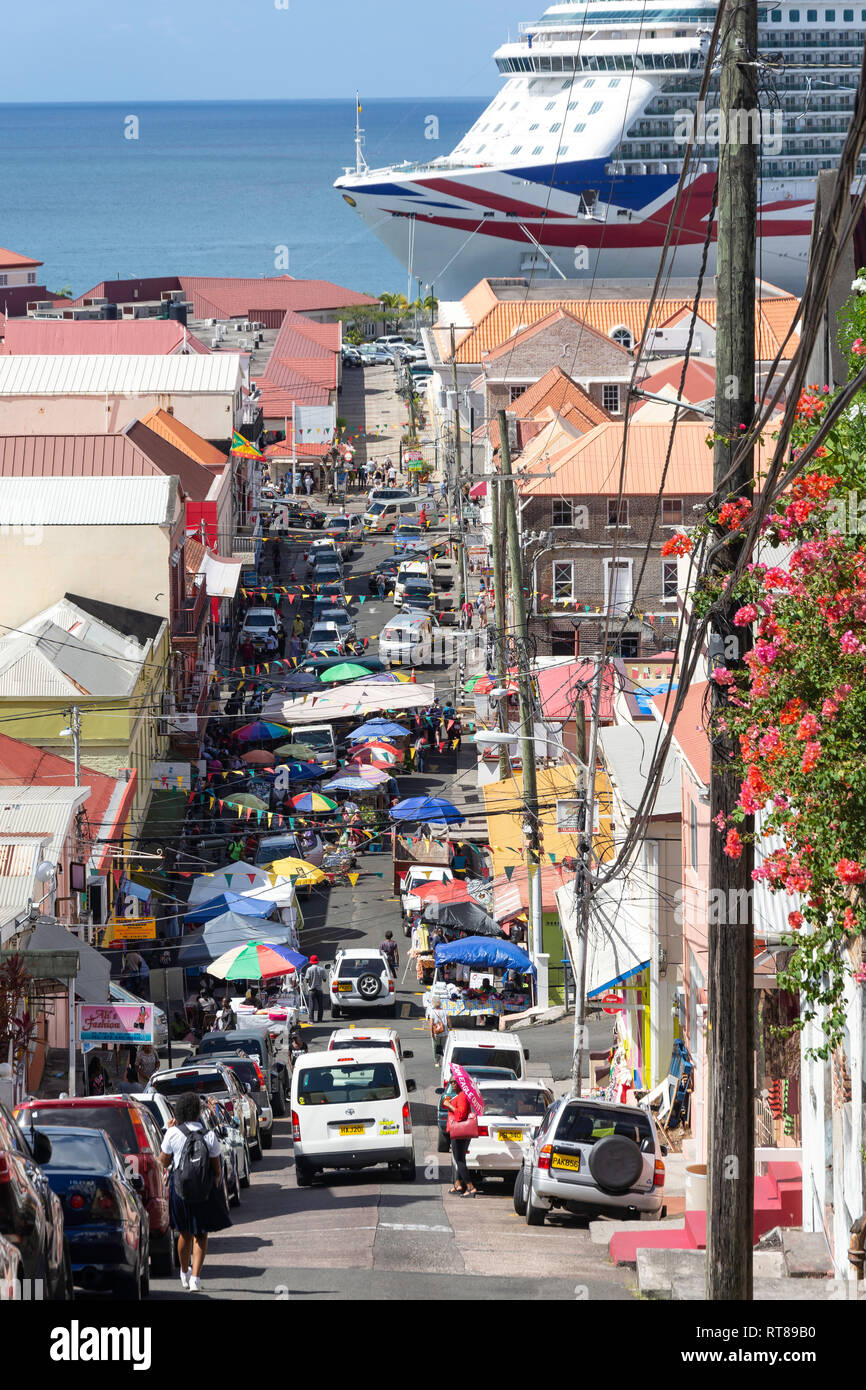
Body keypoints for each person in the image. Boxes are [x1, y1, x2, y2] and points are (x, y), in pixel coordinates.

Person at [159, 1091, 231, 1291]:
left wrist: (169, 1131)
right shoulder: (208, 1136)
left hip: (180, 1190)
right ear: (198, 1113)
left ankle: (184, 1272)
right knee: (201, 1235)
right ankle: (195, 1279)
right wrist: (216, 1184)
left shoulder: (173, 1133)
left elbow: (162, 1161)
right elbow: (216, 1169)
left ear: (180, 1111)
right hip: (203, 1191)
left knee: (184, 1233)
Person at [443, 1080, 478, 1196]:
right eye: (451, 1082)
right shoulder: (460, 1095)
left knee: (460, 1160)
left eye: (454, 1082)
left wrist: (449, 1105)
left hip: (459, 1132)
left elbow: (460, 1115)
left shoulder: (462, 1096)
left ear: (460, 1083)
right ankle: (458, 1185)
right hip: (457, 1132)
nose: (452, 1084)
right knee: (458, 1159)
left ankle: (470, 1187)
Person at [304, 955, 328, 1023]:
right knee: (320, 1005)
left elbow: (307, 980)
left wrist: (310, 981)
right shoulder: (321, 969)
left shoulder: (309, 969)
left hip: (311, 989)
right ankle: (320, 1019)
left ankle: (311, 1020)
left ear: (311, 962)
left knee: (311, 1005)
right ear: (317, 961)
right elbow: (324, 980)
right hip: (319, 989)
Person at [427, 997, 449, 1062]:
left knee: (436, 1047)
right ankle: (444, 1060)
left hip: (436, 1032)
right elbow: (448, 1021)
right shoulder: (445, 1011)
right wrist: (450, 1028)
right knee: (444, 1047)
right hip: (444, 1032)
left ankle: (437, 1061)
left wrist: (431, 1032)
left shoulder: (432, 1012)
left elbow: (431, 1023)